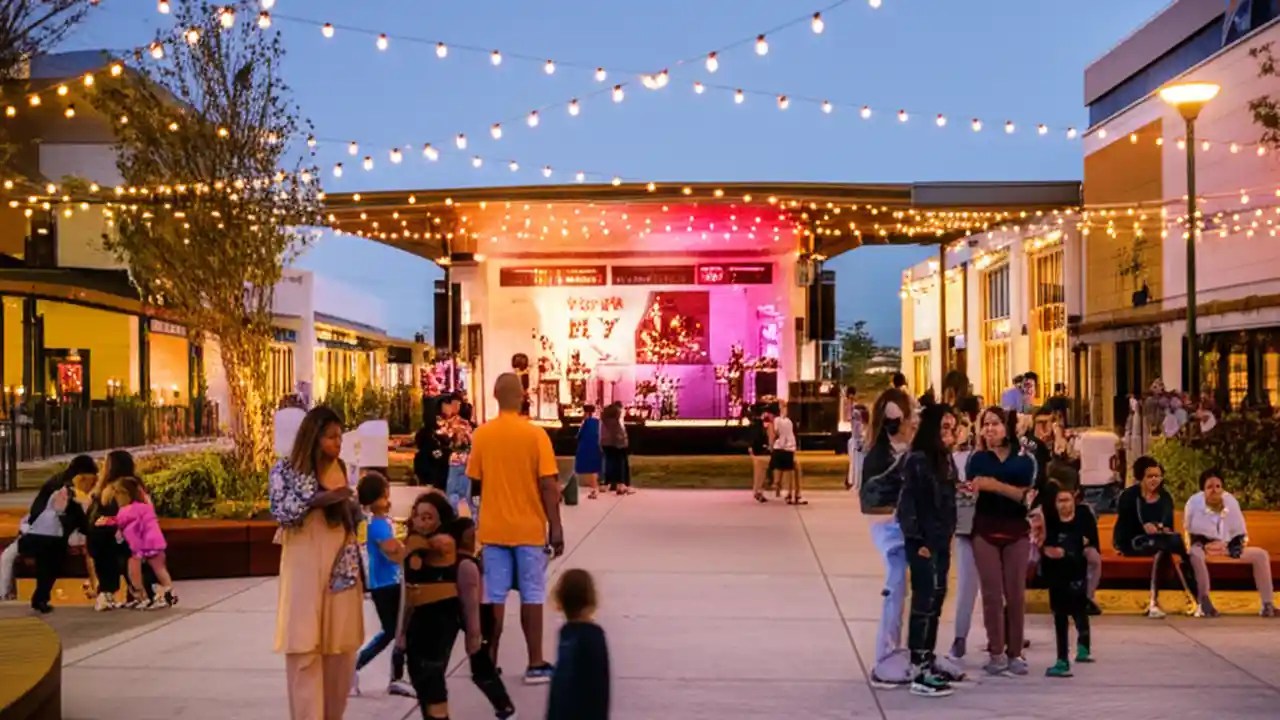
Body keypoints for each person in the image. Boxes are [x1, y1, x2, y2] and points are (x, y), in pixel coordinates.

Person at [467, 372, 565, 685]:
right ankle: (535, 663)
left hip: (494, 530)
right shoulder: (536, 436)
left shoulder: (482, 435)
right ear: (523, 396)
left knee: (494, 597)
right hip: (529, 530)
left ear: (495, 396)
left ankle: (490, 661)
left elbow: (475, 484)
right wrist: (556, 527)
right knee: (532, 595)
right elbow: (548, 485)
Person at [270, 405, 365, 720]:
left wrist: (353, 505)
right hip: (304, 562)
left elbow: (353, 516)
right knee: (304, 646)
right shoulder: (286, 470)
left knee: (340, 650)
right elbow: (282, 511)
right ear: (313, 437)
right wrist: (318, 500)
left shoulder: (343, 468)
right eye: (330, 437)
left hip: (339, 566)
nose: (337, 443)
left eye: (340, 436)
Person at [897, 404, 961, 697]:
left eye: (953, 428)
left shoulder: (945, 459)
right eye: (944, 428)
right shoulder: (918, 460)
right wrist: (918, 540)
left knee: (937, 598)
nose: (949, 434)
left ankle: (928, 657)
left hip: (941, 540)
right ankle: (918, 666)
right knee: (924, 601)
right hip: (923, 542)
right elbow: (907, 504)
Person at [968, 406, 1036, 676]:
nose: (990, 429)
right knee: (992, 595)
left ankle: (1015, 652)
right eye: (985, 424)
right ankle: (996, 651)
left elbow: (1025, 496)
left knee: (1015, 595)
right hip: (985, 530)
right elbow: (974, 486)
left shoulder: (1024, 460)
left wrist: (995, 486)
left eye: (996, 423)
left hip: (1016, 531)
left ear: (1008, 427)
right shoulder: (978, 459)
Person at [860, 388, 917, 687]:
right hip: (891, 531)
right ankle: (884, 653)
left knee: (916, 588)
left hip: (913, 529)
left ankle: (910, 649)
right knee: (895, 583)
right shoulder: (879, 457)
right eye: (909, 417)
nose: (913, 423)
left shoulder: (912, 452)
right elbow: (871, 505)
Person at [396, 492, 461, 720]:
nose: (422, 522)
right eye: (418, 516)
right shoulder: (412, 544)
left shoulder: (444, 543)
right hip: (417, 619)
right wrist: (401, 633)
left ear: (441, 521)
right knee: (420, 679)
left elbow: (439, 550)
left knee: (432, 678)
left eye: (429, 517)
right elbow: (406, 592)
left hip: (440, 619)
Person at [1113, 456, 1199, 618]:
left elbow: (1167, 525)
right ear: (1141, 477)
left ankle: (1155, 603)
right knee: (1175, 545)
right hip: (1132, 541)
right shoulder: (1129, 496)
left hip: (1158, 541)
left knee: (1163, 550)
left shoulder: (1165, 497)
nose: (1154, 480)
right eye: (1150, 476)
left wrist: (1160, 528)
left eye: (1157, 476)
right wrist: (1144, 527)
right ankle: (1197, 598)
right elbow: (1126, 525)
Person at [353, 472, 413, 698]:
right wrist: (408, 551)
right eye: (384, 496)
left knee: (398, 631)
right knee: (394, 631)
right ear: (373, 499)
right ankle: (358, 666)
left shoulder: (380, 522)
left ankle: (396, 676)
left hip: (389, 583)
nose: (388, 501)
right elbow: (392, 552)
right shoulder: (376, 524)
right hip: (386, 586)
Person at [1184, 469, 1275, 617]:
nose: (1214, 490)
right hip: (1203, 547)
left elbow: (1239, 533)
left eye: (1218, 486)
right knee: (1194, 554)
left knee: (1261, 555)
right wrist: (1206, 545)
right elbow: (1189, 532)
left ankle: (1267, 604)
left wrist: (1228, 547)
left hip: (1228, 548)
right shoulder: (1194, 503)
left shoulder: (1231, 502)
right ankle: (1204, 602)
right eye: (1210, 487)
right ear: (1203, 490)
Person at [453, 517, 517, 719]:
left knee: (480, 664)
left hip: (476, 612)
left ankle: (503, 704)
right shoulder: (470, 563)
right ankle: (503, 705)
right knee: (481, 663)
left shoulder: (464, 563)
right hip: (481, 611)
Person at [19, 455, 95, 613]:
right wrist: (87, 530)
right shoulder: (67, 487)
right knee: (50, 567)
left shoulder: (56, 481)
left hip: (41, 531)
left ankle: (40, 599)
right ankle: (40, 599)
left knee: (44, 568)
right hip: (52, 535)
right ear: (82, 475)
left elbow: (38, 507)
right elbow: (73, 513)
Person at [1040, 482, 1097, 678]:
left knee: (1080, 609)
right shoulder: (1050, 520)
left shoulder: (1083, 516)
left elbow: (1090, 542)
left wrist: (1067, 550)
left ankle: (1083, 646)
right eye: (1060, 501)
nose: (1064, 505)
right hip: (1057, 573)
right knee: (1060, 616)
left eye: (1067, 500)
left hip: (1078, 570)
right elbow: (1046, 546)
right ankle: (1062, 660)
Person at [87, 450, 157, 611]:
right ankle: (135, 592)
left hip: (117, 539)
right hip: (129, 538)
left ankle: (108, 592)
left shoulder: (115, 489)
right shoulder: (136, 486)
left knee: (104, 546)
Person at [94, 477, 177, 609]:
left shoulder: (126, 511)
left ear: (124, 494)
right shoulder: (145, 507)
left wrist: (107, 522)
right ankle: (169, 591)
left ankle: (142, 596)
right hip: (156, 543)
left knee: (133, 573)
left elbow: (125, 526)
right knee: (160, 569)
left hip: (139, 548)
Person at [547, 568, 610, 720]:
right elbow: (601, 686)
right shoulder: (593, 635)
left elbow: (560, 686)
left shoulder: (568, 633)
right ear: (591, 599)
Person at [444, 395, 476, 516]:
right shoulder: (471, 427)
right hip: (467, 459)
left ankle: (453, 514)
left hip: (455, 460)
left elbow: (448, 439)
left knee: (453, 491)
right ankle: (471, 516)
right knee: (467, 491)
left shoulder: (451, 424)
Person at [771, 402, 803, 505]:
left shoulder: (787, 420)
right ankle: (789, 493)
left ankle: (793, 493)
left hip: (785, 449)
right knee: (790, 471)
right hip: (783, 449)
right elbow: (776, 433)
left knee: (794, 468)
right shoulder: (779, 420)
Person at [601, 402, 634, 496]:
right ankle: (622, 484)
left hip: (606, 443)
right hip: (618, 443)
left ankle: (610, 483)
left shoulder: (605, 419)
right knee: (622, 463)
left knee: (609, 463)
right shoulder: (617, 420)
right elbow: (620, 432)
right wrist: (624, 440)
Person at [575, 404, 604, 500]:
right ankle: (598, 486)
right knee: (595, 468)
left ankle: (594, 490)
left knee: (590, 469)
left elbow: (579, 435)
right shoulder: (598, 422)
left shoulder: (586, 422)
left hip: (587, 447)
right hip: (597, 446)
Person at [747, 404, 772, 503]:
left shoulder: (761, 425)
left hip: (761, 453)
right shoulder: (758, 426)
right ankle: (757, 491)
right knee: (759, 473)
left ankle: (758, 490)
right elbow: (754, 440)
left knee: (761, 473)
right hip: (759, 453)